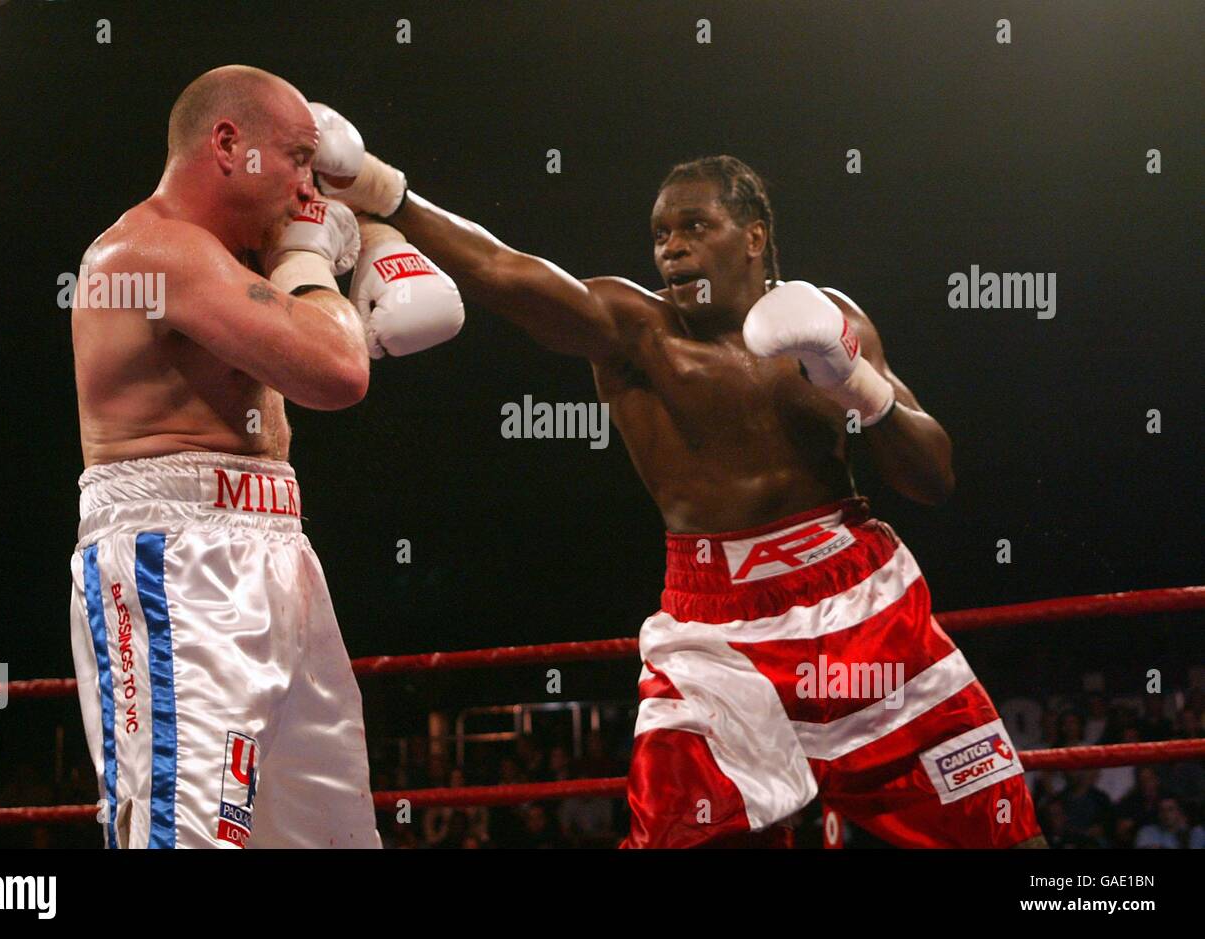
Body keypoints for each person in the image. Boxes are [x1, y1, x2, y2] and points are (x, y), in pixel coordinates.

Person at [315, 112, 1042, 847]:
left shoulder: (833, 319)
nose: (673, 248)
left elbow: (933, 475)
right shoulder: (636, 331)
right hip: (716, 635)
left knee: (1010, 843)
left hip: (868, 610)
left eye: (696, 226)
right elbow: (507, 272)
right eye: (662, 234)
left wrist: (853, 378)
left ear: (754, 236)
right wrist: (385, 191)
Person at [68, 66, 463, 848]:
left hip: (276, 553)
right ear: (227, 144)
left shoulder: (234, 265)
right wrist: (315, 255)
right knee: (186, 837)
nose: (309, 190)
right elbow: (340, 369)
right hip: (177, 563)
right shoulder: (148, 255)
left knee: (331, 837)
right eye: (297, 161)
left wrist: (380, 215)